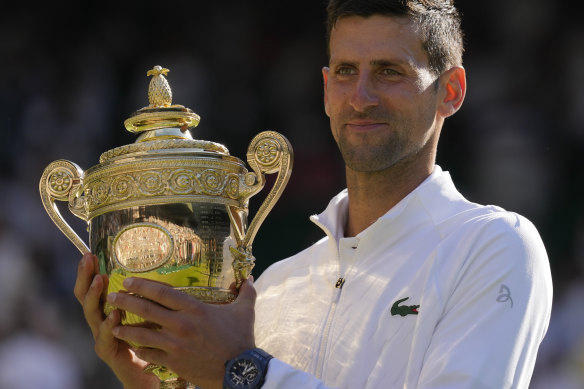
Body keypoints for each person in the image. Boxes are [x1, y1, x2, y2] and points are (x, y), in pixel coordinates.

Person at [74, 1, 553, 388]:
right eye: (346, 71)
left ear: (451, 90)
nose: (361, 96)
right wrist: (149, 383)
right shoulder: (274, 286)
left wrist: (244, 370)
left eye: (389, 71)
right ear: (326, 90)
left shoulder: (494, 246)